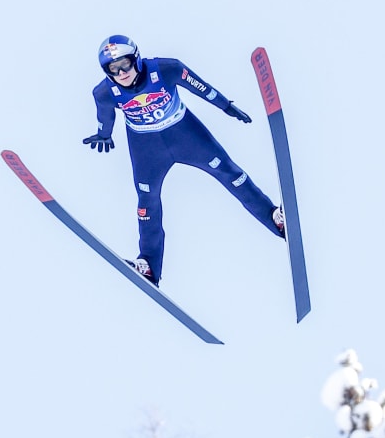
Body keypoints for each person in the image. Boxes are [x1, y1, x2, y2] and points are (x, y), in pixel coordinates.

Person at [82, 34, 285, 286]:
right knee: (147, 203)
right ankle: (148, 266)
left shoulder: (167, 69)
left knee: (230, 173)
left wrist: (226, 106)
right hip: (147, 149)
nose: (121, 73)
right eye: (113, 69)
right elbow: (104, 115)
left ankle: (274, 218)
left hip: (186, 135)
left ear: (136, 58)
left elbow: (201, 88)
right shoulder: (104, 92)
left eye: (124, 64)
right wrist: (104, 134)